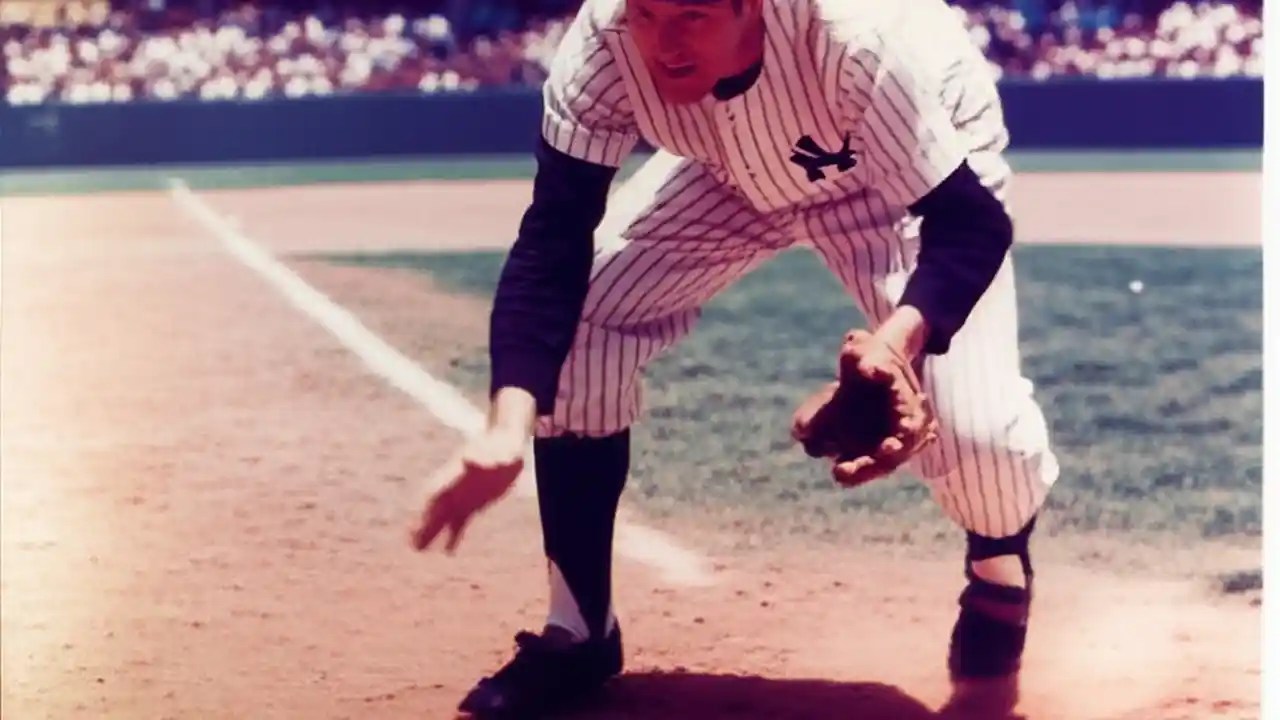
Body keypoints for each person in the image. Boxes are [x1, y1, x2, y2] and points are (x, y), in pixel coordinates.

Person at [410, 0, 1061, 716]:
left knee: (978, 434)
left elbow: (968, 223)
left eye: (691, 15)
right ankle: (579, 628)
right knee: (583, 317)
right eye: (648, 14)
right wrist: (507, 426)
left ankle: (997, 570)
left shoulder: (856, 38)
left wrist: (894, 344)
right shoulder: (605, 39)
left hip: (912, 177)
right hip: (728, 168)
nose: (664, 42)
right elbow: (553, 237)